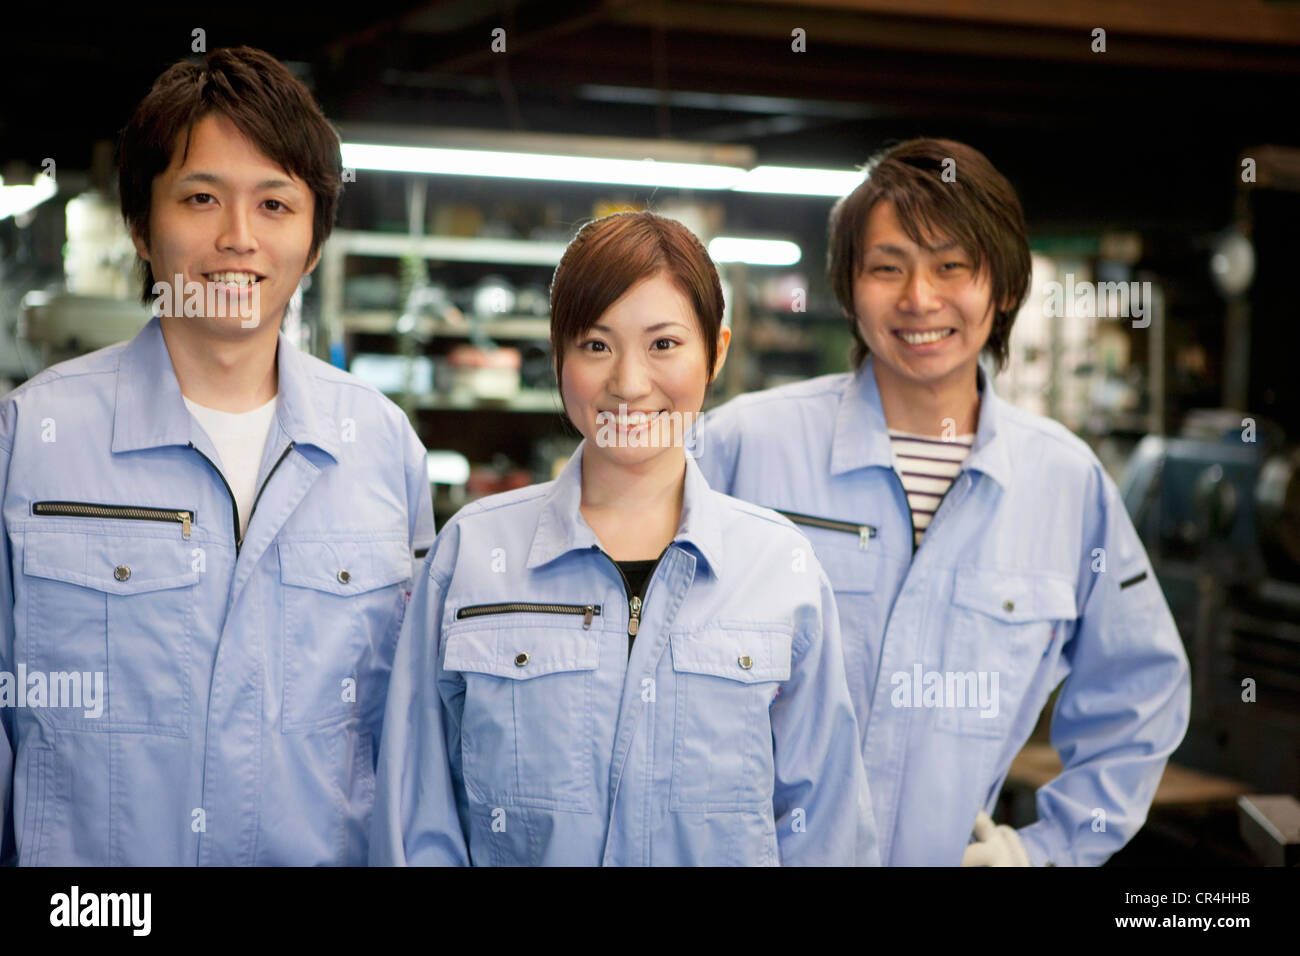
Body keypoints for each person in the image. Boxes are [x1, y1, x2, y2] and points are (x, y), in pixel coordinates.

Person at [693, 139, 1190, 866]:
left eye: (951, 265)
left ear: (1006, 287)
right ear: (848, 286)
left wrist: (1044, 850)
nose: (919, 298)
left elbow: (1139, 691)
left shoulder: (1064, 485)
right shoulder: (743, 446)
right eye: (887, 267)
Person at [0, 46, 434, 865]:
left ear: (312, 242)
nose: (238, 238)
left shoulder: (379, 450)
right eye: (201, 198)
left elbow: (408, 740)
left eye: (275, 204)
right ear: (140, 224)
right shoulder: (31, 441)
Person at [371, 211, 877, 866]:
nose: (629, 384)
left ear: (716, 352)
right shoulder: (471, 555)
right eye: (595, 345)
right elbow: (418, 822)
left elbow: (825, 829)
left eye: (664, 344)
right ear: (557, 357)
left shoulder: (779, 569)